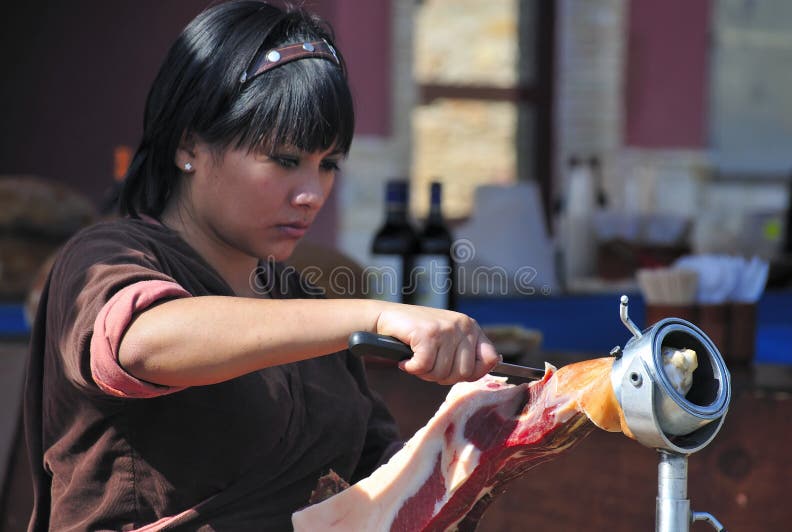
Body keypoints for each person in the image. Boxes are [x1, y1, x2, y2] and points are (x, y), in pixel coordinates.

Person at [23, 2, 500, 530]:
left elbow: (382, 479)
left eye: (329, 165)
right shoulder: (103, 257)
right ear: (190, 146)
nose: (311, 194)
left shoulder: (305, 308)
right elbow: (144, 342)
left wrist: (482, 437)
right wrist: (375, 317)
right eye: (286, 159)